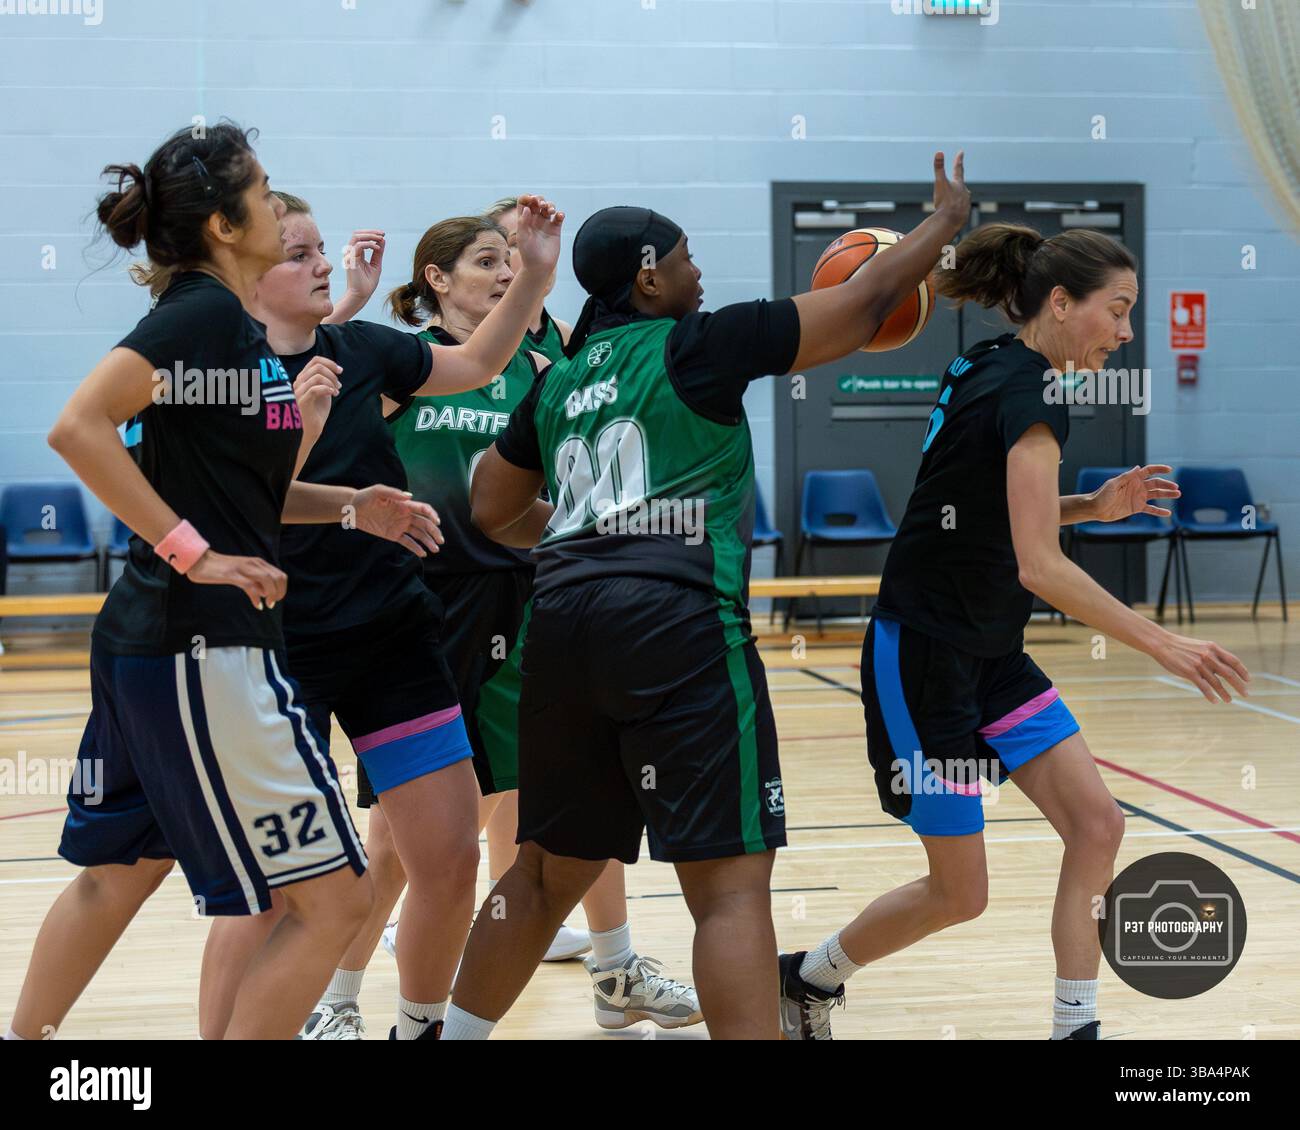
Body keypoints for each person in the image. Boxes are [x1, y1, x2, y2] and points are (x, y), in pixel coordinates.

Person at [441, 153, 972, 1040]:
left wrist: (589, 538)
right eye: (685, 258)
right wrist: (942, 223)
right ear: (649, 277)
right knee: (729, 889)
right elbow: (859, 305)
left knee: (538, 875)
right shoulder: (702, 342)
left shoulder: (560, 378)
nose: (698, 273)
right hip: (677, 627)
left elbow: (491, 508)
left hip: (564, 625)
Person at [1, 123, 434, 1041]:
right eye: (265, 191)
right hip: (200, 647)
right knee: (337, 900)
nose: (277, 206)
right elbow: (79, 427)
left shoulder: (226, 326)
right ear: (226, 226)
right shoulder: (198, 313)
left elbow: (248, 493)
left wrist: (355, 505)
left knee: (120, 871)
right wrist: (193, 553)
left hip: (149, 644)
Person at [778, 223, 1252, 1040]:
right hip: (923, 653)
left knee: (1098, 824)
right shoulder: (1028, 395)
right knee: (960, 893)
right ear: (1062, 304)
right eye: (1119, 309)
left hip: (992, 650)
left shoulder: (989, 363)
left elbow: (987, 512)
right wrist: (1167, 644)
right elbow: (1040, 566)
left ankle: (1076, 1028)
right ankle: (809, 979)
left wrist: (1091, 508)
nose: (1128, 331)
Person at [194, 191, 565, 1042]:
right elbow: (231, 513)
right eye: (300, 254)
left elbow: (474, 364)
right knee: (268, 890)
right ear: (249, 272)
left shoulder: (361, 350)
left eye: (321, 248)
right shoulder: (217, 372)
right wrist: (348, 497)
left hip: (392, 634)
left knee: (450, 856)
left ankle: (420, 1028)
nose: (324, 263)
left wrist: (535, 275)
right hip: (278, 643)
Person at [378, 214, 700, 1030]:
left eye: (509, 264)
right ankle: (340, 999)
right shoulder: (406, 364)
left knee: (580, 797)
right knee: (402, 834)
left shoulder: (541, 363)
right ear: (437, 280)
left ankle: (616, 970)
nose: (502, 273)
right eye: (484, 262)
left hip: (538, 596)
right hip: (429, 609)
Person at [484, 196, 572, 363]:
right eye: (518, 242)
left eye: (543, 239)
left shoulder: (563, 332)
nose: (539, 252)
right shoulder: (476, 330)